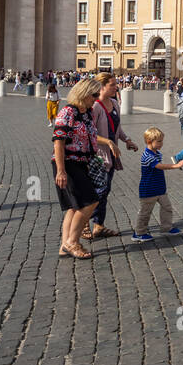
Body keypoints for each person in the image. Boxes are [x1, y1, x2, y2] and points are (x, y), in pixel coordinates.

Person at [52, 77, 113, 259]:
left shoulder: (87, 113)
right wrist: (61, 170)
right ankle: (72, 241)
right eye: (93, 94)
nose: (96, 98)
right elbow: (58, 142)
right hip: (68, 163)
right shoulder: (67, 112)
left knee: (74, 206)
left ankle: (65, 246)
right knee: (90, 201)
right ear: (84, 93)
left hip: (83, 162)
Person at [86, 73, 138, 241]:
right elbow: (89, 133)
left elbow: (118, 128)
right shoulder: (95, 107)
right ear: (102, 87)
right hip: (98, 156)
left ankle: (99, 225)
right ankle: (83, 222)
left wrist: (127, 140)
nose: (117, 87)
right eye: (113, 85)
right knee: (99, 190)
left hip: (111, 154)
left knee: (105, 190)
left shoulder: (114, 103)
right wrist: (108, 142)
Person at [133, 127, 183, 241]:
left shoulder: (157, 153)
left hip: (160, 188)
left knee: (167, 208)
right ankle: (139, 233)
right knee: (145, 212)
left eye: (162, 141)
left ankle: (167, 227)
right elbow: (159, 166)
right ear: (149, 142)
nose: (161, 144)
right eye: (159, 141)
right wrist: (175, 166)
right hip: (148, 189)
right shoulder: (147, 156)